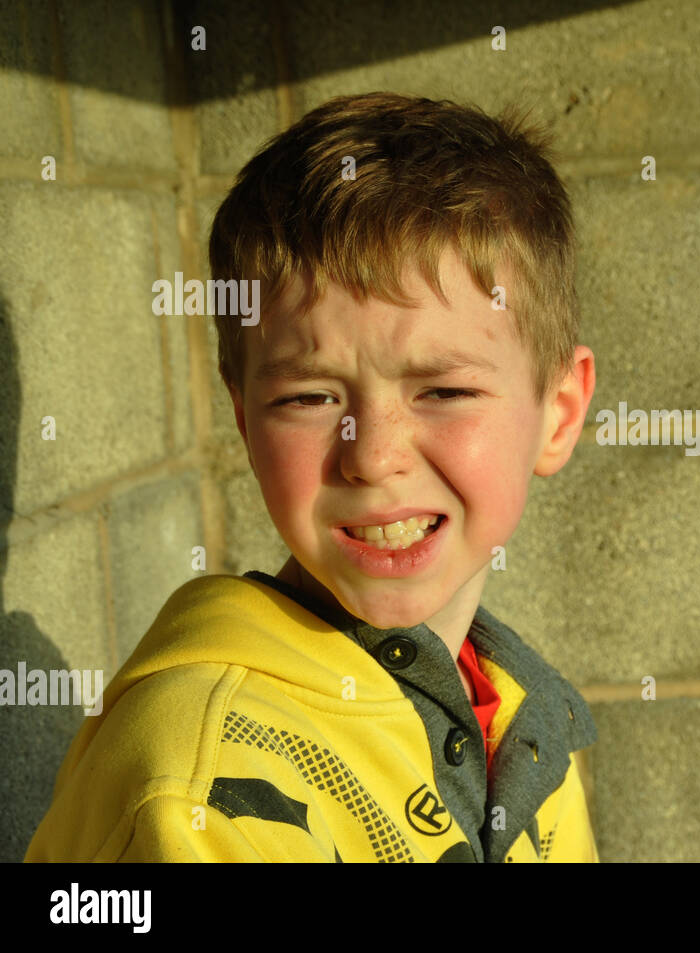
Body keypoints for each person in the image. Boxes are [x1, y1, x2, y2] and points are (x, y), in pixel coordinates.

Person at [26, 92, 599, 862]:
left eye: (444, 391)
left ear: (559, 414)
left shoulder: (525, 725)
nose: (372, 454)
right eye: (309, 397)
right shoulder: (199, 796)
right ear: (243, 416)